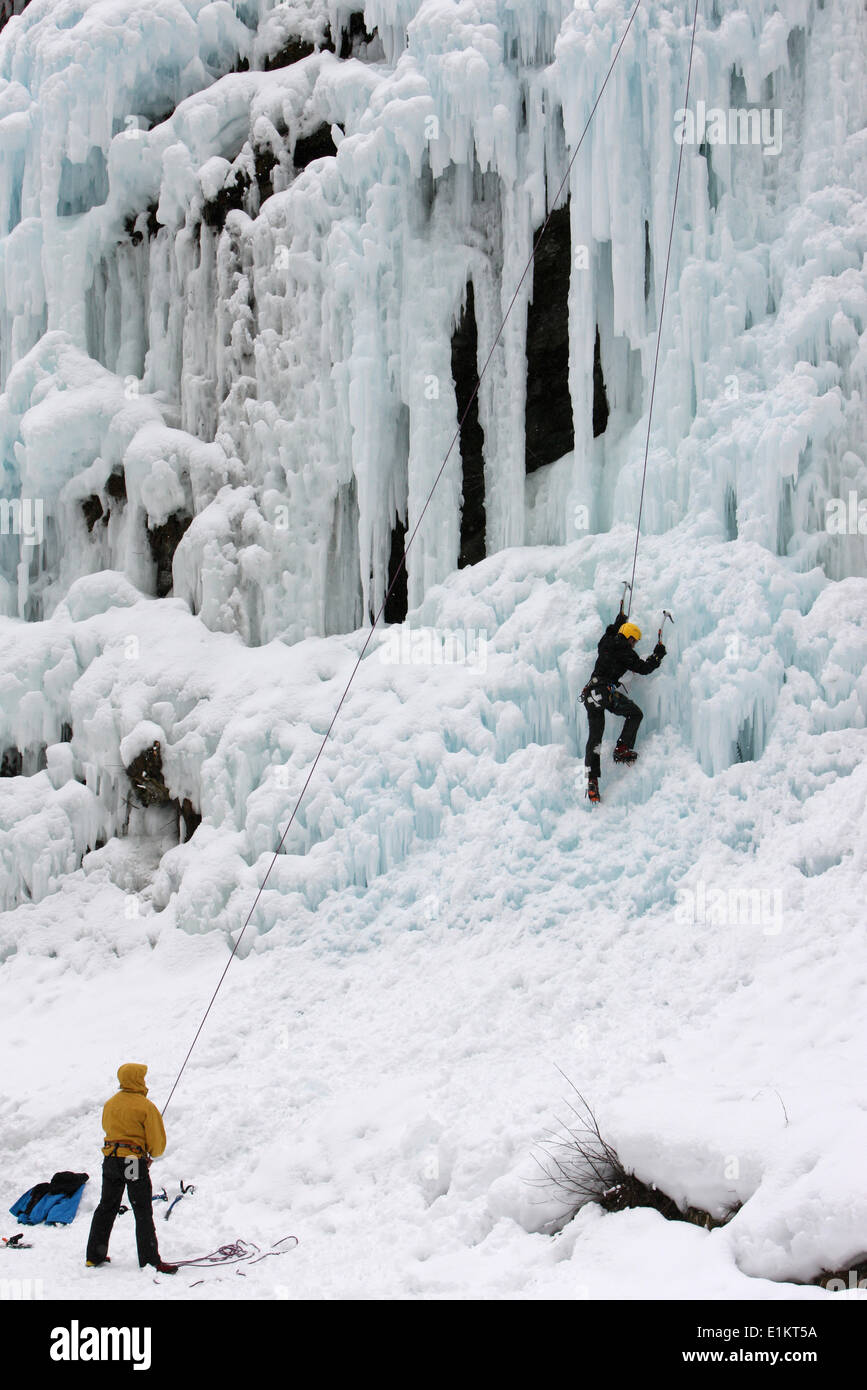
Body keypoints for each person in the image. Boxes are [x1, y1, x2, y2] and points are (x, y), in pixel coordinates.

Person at [85, 1063, 177, 1273]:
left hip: (110, 1160)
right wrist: (150, 1154)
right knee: (141, 1208)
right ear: (137, 1080)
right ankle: (149, 1260)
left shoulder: (110, 1104)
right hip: (132, 1163)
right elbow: (157, 1143)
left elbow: (107, 1128)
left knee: (107, 1206)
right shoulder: (144, 1106)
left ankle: (94, 1256)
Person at [581, 605, 666, 802]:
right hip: (604, 692)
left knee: (595, 738)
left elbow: (608, 632)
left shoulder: (606, 643)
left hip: (590, 694)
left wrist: (619, 621)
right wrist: (657, 655)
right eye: (634, 641)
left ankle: (592, 780)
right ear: (629, 638)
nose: (634, 645)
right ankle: (622, 748)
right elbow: (643, 668)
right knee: (635, 713)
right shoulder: (626, 652)